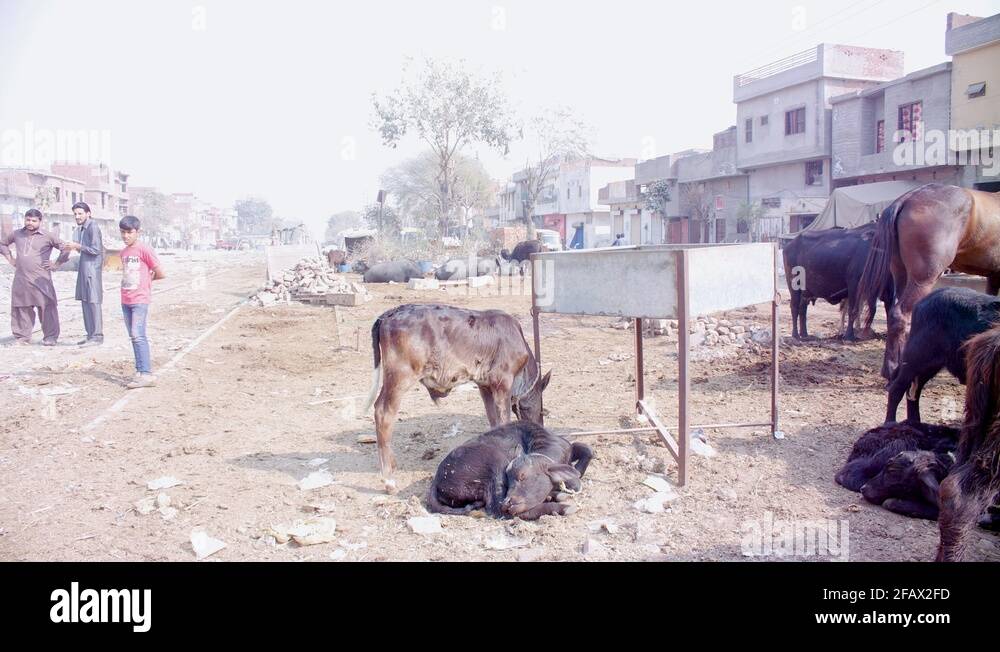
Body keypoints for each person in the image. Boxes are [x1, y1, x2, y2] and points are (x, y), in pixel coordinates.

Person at [0, 209, 79, 345]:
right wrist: (10, 258)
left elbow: (65, 247)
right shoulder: (17, 234)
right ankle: (22, 337)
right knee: (21, 308)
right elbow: (2, 243)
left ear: (40, 222)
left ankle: (50, 337)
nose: (30, 223)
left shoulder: (48, 236)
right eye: (28, 220)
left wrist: (57, 263)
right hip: (22, 279)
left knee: (47, 307)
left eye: (33, 221)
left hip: (41, 279)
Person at [118, 215, 166, 389]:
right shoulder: (123, 253)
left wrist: (147, 282)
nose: (126, 236)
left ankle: (146, 373)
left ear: (137, 232)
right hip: (126, 299)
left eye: (129, 232)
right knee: (133, 335)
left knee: (138, 335)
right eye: (123, 232)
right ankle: (139, 371)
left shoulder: (144, 250)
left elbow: (160, 272)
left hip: (140, 299)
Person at [67, 202, 105, 346]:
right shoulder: (82, 229)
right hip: (85, 268)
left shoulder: (93, 227)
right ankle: (90, 335)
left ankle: (97, 336)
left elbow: (96, 250)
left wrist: (78, 246)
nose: (77, 216)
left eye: (80, 213)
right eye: (75, 214)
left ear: (88, 213)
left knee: (93, 302)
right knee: (85, 301)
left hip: (92, 270)